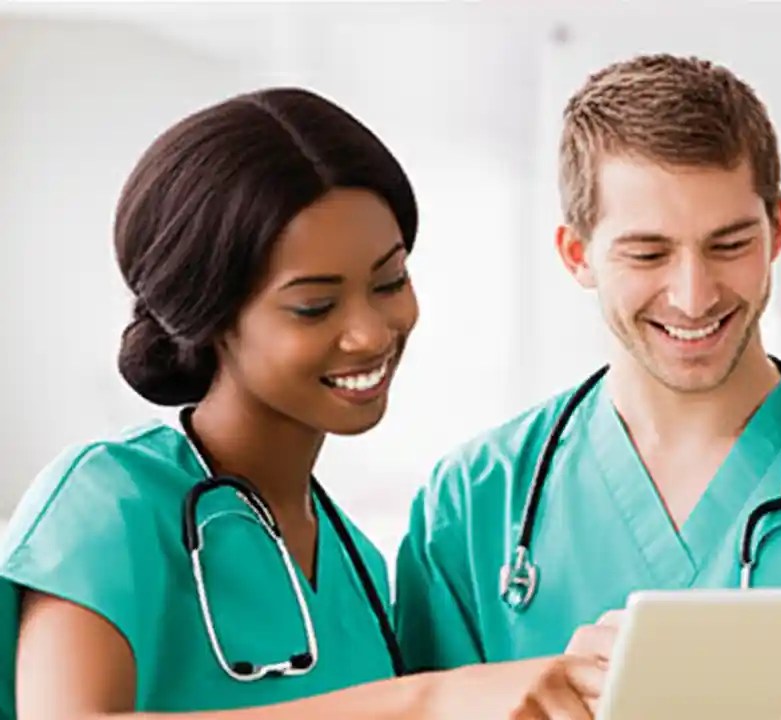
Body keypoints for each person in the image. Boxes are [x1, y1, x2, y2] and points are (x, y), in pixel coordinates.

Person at [394, 54, 781, 718]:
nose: (693, 295)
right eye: (648, 254)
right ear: (577, 254)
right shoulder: (473, 509)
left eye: (729, 244)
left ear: (778, 229)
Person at [0, 87, 603, 719]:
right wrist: (428, 699)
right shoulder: (108, 501)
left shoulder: (356, 565)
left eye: (389, 281)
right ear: (210, 318)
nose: (370, 333)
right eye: (314, 305)